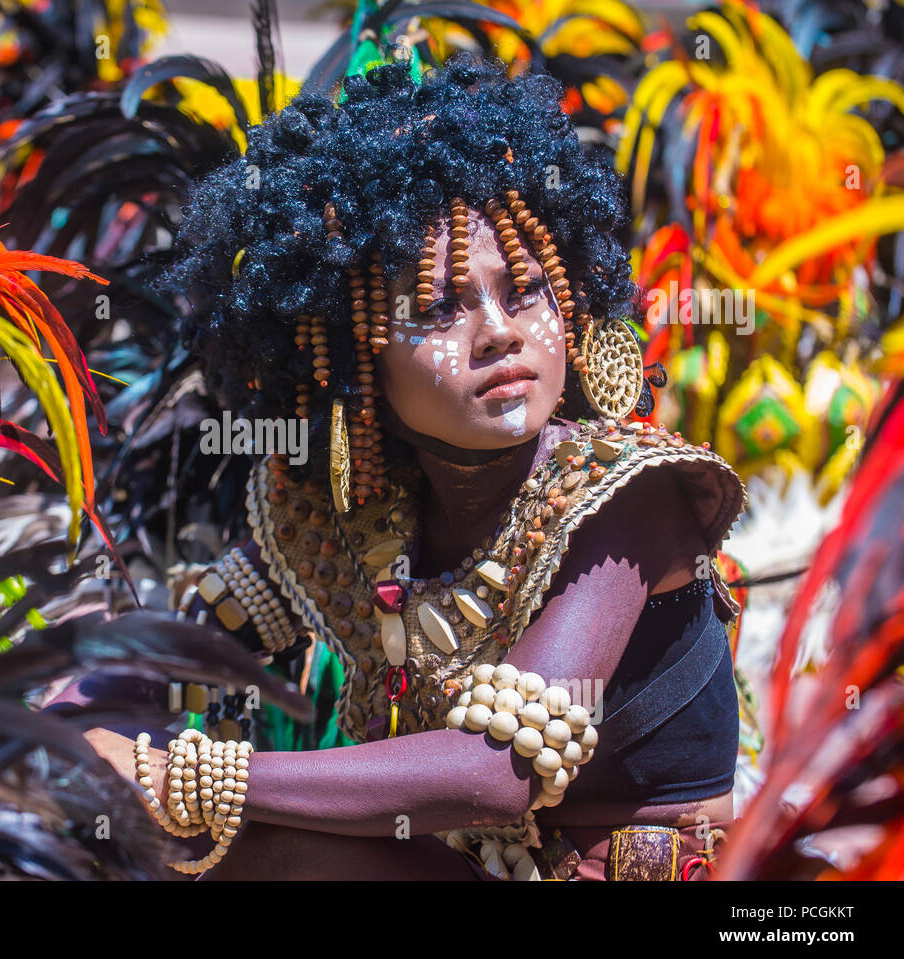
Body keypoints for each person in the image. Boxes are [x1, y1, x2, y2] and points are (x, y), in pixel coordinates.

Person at [75, 51, 747, 880]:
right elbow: (190, 648)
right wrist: (56, 720)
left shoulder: (629, 495)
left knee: (262, 846)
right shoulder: (346, 512)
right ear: (356, 367)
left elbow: (493, 775)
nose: (500, 332)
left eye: (527, 291)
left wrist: (184, 775)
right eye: (436, 308)